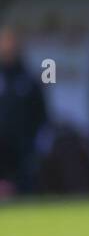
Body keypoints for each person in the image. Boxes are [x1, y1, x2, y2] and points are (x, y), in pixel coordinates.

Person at [0, 26, 49, 196]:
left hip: (24, 147)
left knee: (25, 187)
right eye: (4, 44)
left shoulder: (29, 80)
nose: (8, 48)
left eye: (11, 44)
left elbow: (42, 114)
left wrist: (37, 141)